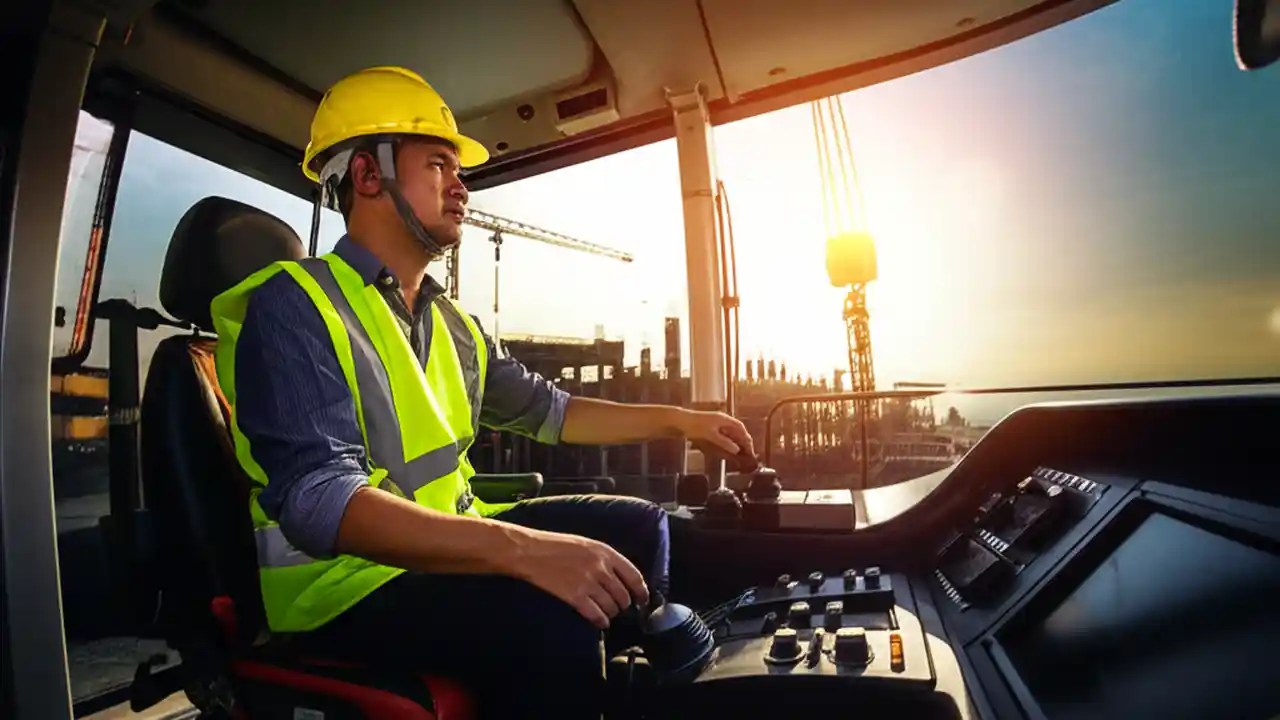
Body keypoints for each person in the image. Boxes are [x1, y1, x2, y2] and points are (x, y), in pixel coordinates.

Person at [208, 65, 755, 718]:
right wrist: (525, 553)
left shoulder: (451, 322)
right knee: (554, 620)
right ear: (366, 175)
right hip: (344, 590)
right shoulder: (294, 306)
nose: (461, 186)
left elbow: (553, 413)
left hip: (445, 553)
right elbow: (321, 502)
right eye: (438, 164)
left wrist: (679, 420)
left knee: (640, 529)